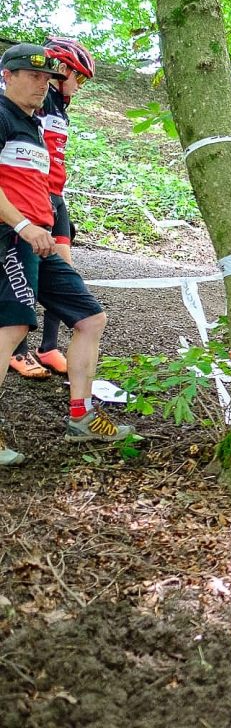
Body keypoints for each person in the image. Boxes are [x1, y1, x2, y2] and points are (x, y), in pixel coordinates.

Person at [0, 43, 134, 465]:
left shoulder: (34, 124)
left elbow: (41, 186)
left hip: (39, 240)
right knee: (12, 329)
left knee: (91, 318)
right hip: (10, 238)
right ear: (8, 75)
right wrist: (21, 224)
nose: (43, 83)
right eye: (34, 75)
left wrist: (53, 227)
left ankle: (81, 417)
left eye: (47, 77)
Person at [9, 36, 94, 381]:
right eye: (80, 77)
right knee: (24, 277)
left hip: (55, 197)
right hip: (31, 198)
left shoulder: (61, 107)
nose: (80, 85)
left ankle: (47, 347)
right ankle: (18, 350)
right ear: (61, 69)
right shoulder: (36, 103)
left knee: (64, 270)